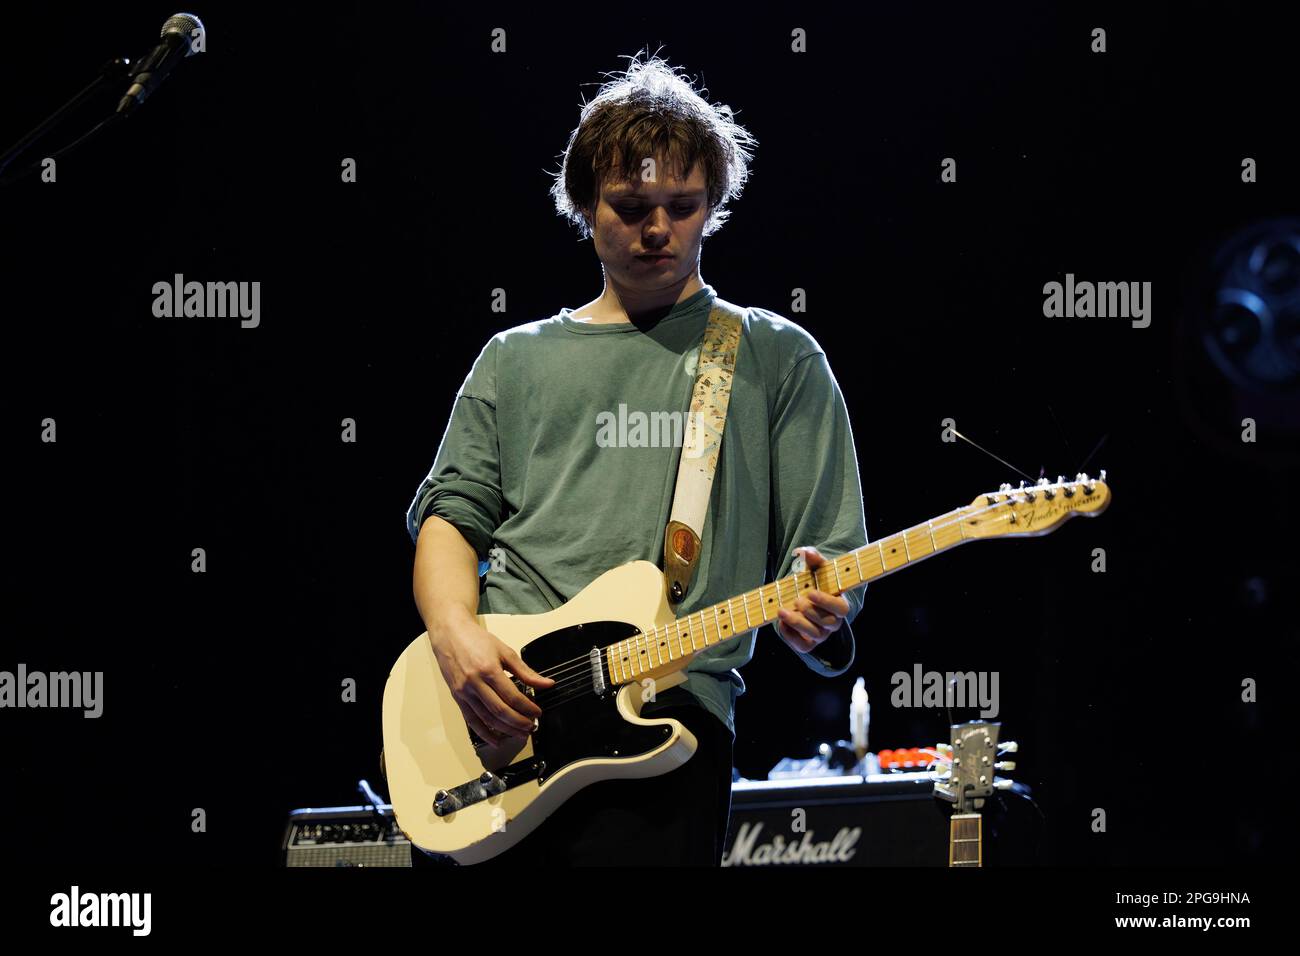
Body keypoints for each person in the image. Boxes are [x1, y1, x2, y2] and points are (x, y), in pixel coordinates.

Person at [405, 52, 867, 866]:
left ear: (714, 205)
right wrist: (454, 634)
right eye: (630, 205)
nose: (658, 229)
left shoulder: (775, 357)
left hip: (671, 722)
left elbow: (831, 560)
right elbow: (451, 517)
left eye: (682, 206)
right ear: (582, 205)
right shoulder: (513, 359)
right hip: (499, 720)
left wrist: (823, 609)